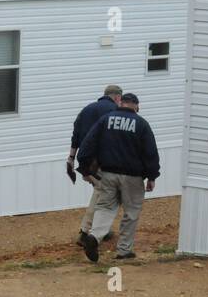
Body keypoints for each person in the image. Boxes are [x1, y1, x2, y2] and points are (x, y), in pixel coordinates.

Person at [75, 92, 160, 263]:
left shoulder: (106, 120)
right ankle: (124, 251)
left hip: (107, 174)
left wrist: (84, 167)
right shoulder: (142, 124)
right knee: (131, 212)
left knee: (105, 208)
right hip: (133, 177)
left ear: (121, 102)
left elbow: (88, 144)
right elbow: (150, 153)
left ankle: (94, 237)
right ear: (136, 105)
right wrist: (152, 176)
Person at [66, 84, 122, 247]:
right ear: (118, 97)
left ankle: (98, 231)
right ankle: (87, 232)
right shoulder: (113, 111)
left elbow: (75, 135)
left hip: (85, 162)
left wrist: (71, 158)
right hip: (101, 161)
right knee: (104, 192)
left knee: (102, 192)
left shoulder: (86, 109)